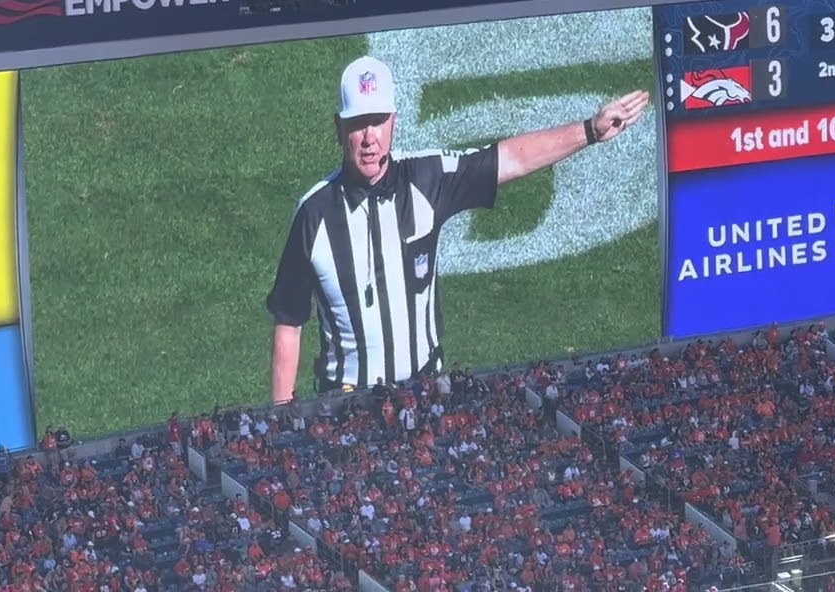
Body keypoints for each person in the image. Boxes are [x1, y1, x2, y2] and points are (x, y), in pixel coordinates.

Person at [266, 55, 648, 402]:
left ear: (393, 122)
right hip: (345, 404)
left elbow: (509, 159)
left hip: (424, 393)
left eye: (378, 121)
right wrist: (280, 419)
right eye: (358, 124)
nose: (369, 138)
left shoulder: (427, 178)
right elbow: (288, 321)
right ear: (339, 128)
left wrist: (590, 130)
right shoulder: (313, 213)